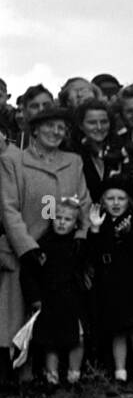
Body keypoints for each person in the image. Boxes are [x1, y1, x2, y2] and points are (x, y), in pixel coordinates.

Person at [0, 105, 89, 369]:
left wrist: (80, 237)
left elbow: (83, 203)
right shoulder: (12, 161)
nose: (56, 131)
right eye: (49, 126)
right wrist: (27, 248)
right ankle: (19, 376)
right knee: (19, 316)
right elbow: (8, 208)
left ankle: (53, 376)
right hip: (25, 251)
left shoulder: (73, 161)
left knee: (59, 316)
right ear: (35, 130)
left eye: (61, 127)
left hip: (61, 255)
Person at [86, 175, 133, 394]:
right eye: (110, 199)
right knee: (117, 329)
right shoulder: (101, 223)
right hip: (110, 283)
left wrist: (126, 235)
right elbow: (93, 254)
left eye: (121, 198)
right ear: (102, 201)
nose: (116, 203)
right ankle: (120, 374)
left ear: (129, 201)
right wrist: (95, 230)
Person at [20, 196, 87, 390]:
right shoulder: (43, 244)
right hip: (49, 299)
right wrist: (35, 298)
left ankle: (74, 376)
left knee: (78, 337)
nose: (61, 222)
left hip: (73, 299)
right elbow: (29, 274)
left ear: (75, 224)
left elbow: (86, 264)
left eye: (67, 219)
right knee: (51, 340)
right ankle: (52, 378)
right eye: (58, 218)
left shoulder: (77, 246)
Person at [74, 98, 131, 204]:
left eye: (104, 122)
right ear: (81, 125)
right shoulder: (74, 154)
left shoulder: (122, 149)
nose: (99, 127)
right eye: (92, 123)